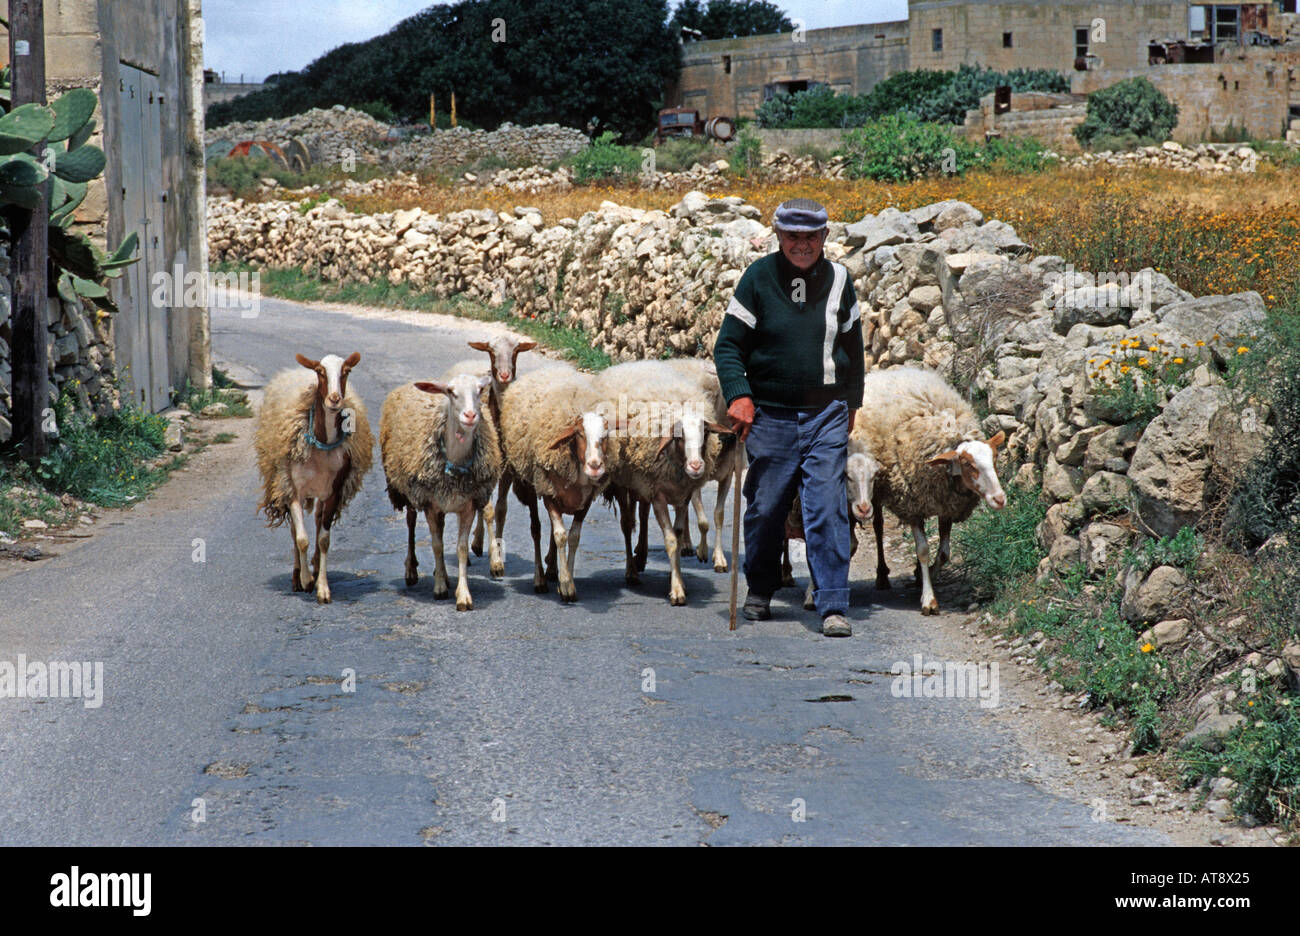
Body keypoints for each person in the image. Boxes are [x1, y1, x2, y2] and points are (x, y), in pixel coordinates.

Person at [713, 198, 864, 637]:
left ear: (825, 238)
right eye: (793, 236)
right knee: (766, 506)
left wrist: (852, 403)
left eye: (811, 236)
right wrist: (739, 395)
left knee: (826, 504)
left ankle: (832, 602)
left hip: (826, 412)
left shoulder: (839, 281)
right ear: (778, 235)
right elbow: (729, 347)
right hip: (771, 415)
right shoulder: (759, 278)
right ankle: (760, 588)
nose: (802, 245)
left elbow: (854, 350)